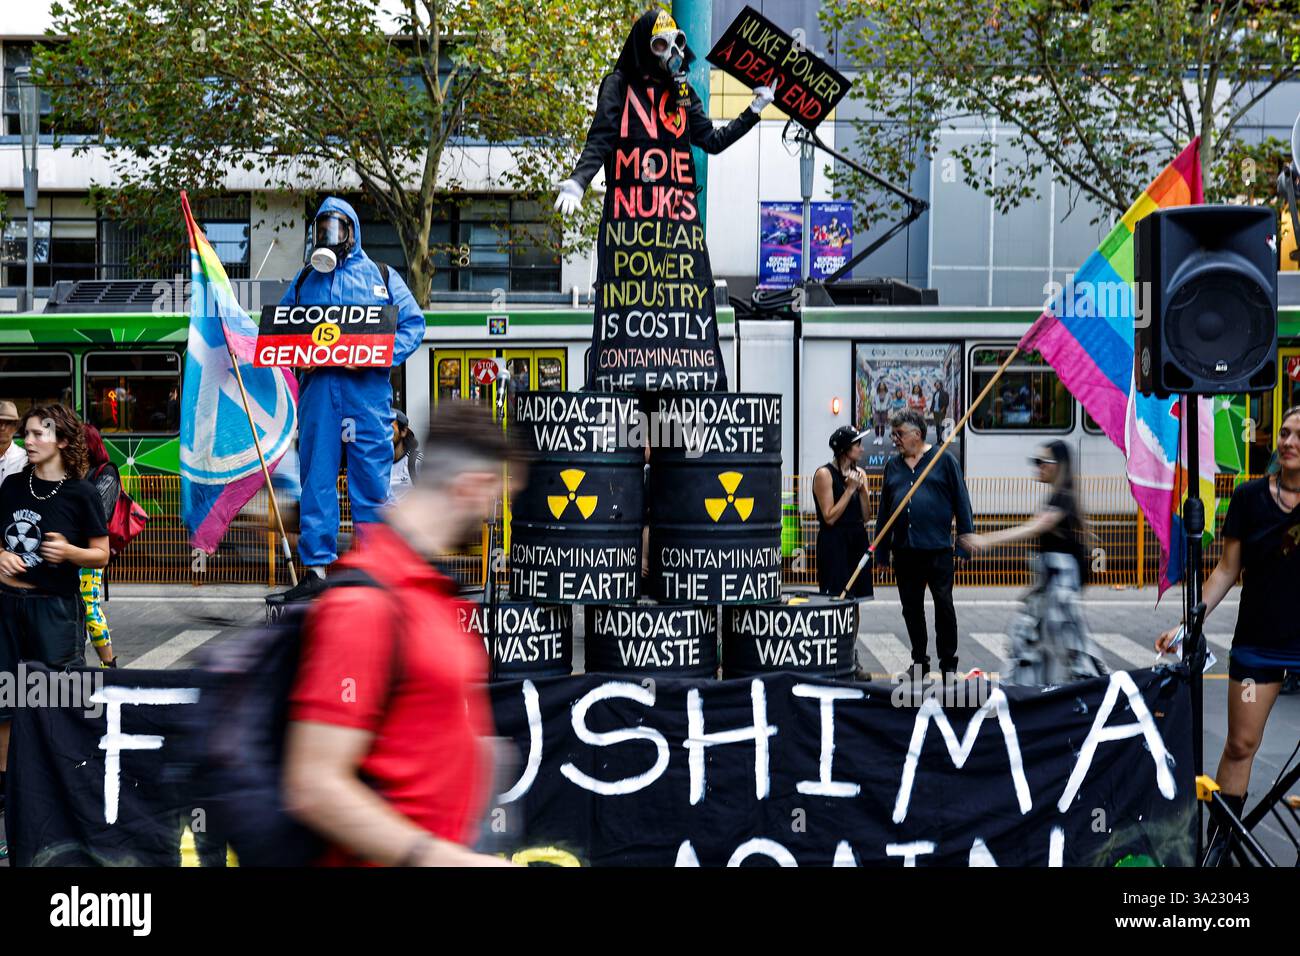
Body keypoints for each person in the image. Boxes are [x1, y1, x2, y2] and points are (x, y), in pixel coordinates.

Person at [283, 401, 519, 867]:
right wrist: (443, 860)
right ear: (471, 486)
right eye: (498, 491)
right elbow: (315, 784)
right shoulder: (367, 602)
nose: (497, 507)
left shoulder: (428, 589)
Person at [1155, 405, 1300, 838]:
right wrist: (1186, 628)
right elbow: (1225, 571)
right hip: (1259, 648)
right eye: (1285, 433)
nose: (1289, 442)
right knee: (1240, 745)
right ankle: (1221, 845)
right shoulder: (1249, 498)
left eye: (1299, 436)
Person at [276, 197, 427, 603]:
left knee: (371, 483)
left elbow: (414, 323)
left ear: (352, 232)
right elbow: (282, 333)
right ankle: (317, 571)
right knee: (317, 481)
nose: (329, 237)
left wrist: (381, 356)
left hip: (366, 395)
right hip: (320, 396)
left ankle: (373, 568)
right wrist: (296, 361)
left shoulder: (382, 276)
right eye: (322, 229)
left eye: (336, 229)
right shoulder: (305, 279)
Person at [0, 404, 110, 825]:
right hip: (7, 608)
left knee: (58, 698)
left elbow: (100, 554)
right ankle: (9, 791)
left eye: (35, 434)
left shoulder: (80, 492)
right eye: (25, 433)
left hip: (56, 611)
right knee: (6, 701)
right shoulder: (10, 486)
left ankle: (64, 786)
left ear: (61, 441)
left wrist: (70, 552)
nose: (26, 440)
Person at [965, 441, 1107, 684]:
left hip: (1059, 589)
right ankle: (1025, 691)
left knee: (1067, 647)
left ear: (1058, 466)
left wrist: (987, 540)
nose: (1037, 467)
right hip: (1048, 587)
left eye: (1042, 462)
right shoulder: (1057, 497)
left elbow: (1035, 527)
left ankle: (1099, 691)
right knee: (1031, 641)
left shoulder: (1064, 498)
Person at [875, 408, 976, 678]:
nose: (894, 439)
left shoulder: (943, 461)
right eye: (893, 433)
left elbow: (961, 502)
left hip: (937, 550)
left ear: (917, 435)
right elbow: (885, 511)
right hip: (905, 551)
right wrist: (881, 552)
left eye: (899, 434)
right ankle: (919, 663)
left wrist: (964, 544)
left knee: (944, 605)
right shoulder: (893, 467)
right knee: (911, 609)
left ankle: (948, 665)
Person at [813, 426, 873, 598]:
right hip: (834, 542)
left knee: (857, 599)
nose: (862, 449)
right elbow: (829, 517)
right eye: (857, 445)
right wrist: (849, 490)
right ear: (845, 449)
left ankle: (854, 626)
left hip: (857, 539)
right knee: (836, 597)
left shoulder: (860, 473)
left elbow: (867, 517)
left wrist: (862, 491)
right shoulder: (825, 474)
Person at [81, 425, 119, 668]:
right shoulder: (70, 472)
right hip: (72, 551)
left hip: (92, 552)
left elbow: (97, 513)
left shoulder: (106, 473)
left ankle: (108, 664)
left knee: (89, 607)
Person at [387, 409, 423, 505]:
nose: (385, 435)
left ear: (403, 431)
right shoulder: (375, 463)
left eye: (390, 429)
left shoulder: (416, 461)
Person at [0, 401, 24, 484]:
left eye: (8, 423)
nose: (2, 428)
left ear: (16, 427)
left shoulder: (23, 458)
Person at [930, 379, 950, 444]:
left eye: (938, 385)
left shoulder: (945, 393)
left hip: (941, 411)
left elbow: (946, 402)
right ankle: (938, 440)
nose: (937, 386)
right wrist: (931, 409)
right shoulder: (935, 393)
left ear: (941, 385)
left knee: (941, 426)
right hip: (935, 411)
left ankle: (942, 440)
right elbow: (933, 402)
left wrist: (943, 409)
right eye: (936, 385)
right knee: (937, 426)